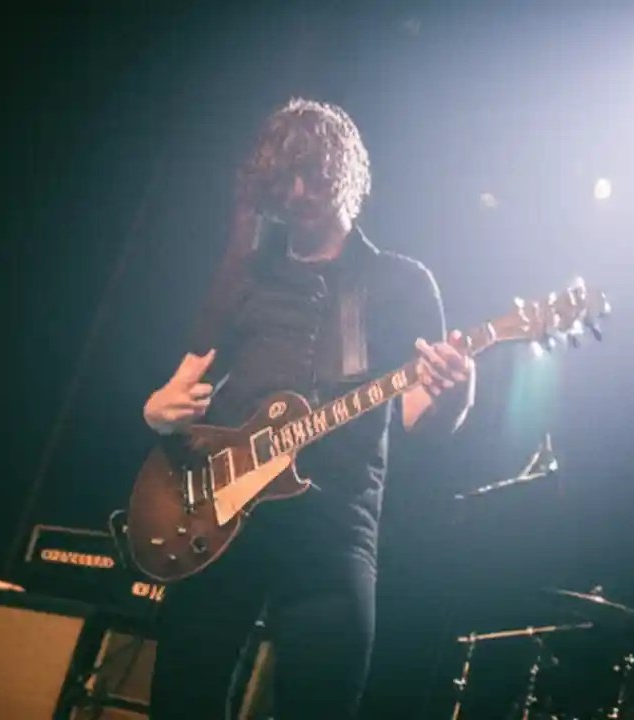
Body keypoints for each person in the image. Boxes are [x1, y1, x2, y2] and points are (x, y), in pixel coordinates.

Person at [140, 98, 475, 719]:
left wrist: (456, 389)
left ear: (344, 173)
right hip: (217, 515)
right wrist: (155, 412)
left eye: (313, 174)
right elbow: (181, 384)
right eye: (283, 178)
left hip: (332, 530)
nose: (297, 192)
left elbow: (419, 420)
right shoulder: (245, 274)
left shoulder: (400, 283)